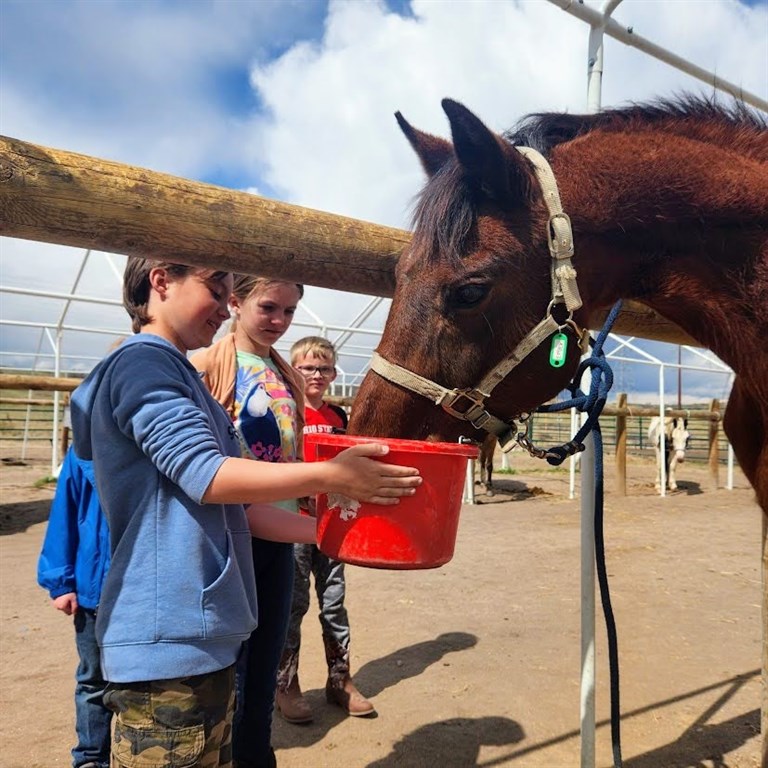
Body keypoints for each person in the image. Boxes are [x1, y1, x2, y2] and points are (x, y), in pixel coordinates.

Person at [69, 258, 421, 768]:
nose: (223, 304)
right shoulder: (146, 363)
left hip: (201, 626)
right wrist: (330, 477)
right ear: (161, 280)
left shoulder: (186, 375)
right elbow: (206, 474)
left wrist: (339, 534)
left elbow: (242, 508)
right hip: (173, 624)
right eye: (215, 287)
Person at [191, 275, 307, 766]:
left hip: (278, 539)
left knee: (262, 667)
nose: (279, 321)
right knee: (224, 670)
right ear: (235, 302)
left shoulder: (289, 375)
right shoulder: (204, 367)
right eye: (268, 307)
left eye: (289, 312)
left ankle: (256, 755)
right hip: (228, 538)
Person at [275, 336, 374, 723]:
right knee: (294, 605)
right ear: (293, 369)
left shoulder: (338, 417)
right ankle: (286, 683)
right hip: (295, 521)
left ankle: (340, 680)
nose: (316, 375)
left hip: (333, 524)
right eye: (308, 368)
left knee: (334, 602)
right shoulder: (286, 413)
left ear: (334, 373)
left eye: (324, 368)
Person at [37, 445, 112, 768]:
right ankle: (91, 757)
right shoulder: (85, 449)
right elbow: (64, 513)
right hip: (94, 589)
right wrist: (60, 580)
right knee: (93, 680)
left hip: (139, 590)